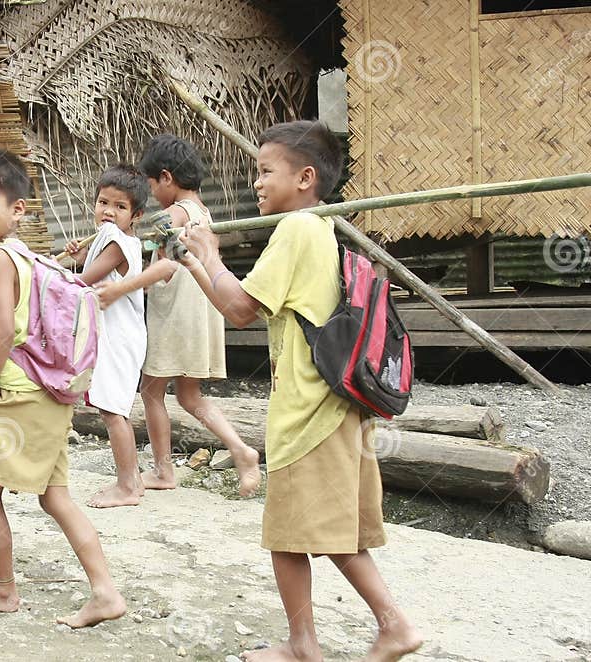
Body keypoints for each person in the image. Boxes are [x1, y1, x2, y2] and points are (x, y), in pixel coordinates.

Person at [180, 121, 422, 661]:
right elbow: (238, 304)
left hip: (309, 412)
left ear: (306, 178)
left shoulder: (295, 230)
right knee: (329, 531)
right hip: (339, 408)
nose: (256, 183)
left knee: (289, 537)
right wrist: (197, 259)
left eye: (266, 171)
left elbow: (240, 309)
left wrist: (211, 254)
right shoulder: (318, 231)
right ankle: (382, 629)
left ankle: (312, 643)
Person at [0, 148, 126, 628]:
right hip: (47, 393)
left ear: (17, 209)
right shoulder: (26, 256)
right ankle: (104, 592)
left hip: (19, 394)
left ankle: (3, 591)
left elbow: (4, 332)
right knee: (55, 497)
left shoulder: (0, 260)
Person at [96, 134, 260, 501]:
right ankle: (240, 448)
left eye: (152, 184)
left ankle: (163, 470)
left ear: (166, 177)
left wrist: (123, 288)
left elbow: (167, 265)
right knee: (189, 396)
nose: (152, 193)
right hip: (202, 308)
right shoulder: (204, 211)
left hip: (178, 312)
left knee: (151, 391)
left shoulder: (174, 215)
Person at [65, 165, 149, 508]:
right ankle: (134, 480)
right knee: (111, 408)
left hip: (120, 338)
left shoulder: (118, 241)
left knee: (112, 410)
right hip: (113, 334)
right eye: (103, 203)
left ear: (136, 214)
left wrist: (40, 278)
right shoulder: (109, 237)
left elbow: (85, 281)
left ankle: (127, 486)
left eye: (120, 207)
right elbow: (94, 266)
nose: (109, 212)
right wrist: (80, 256)